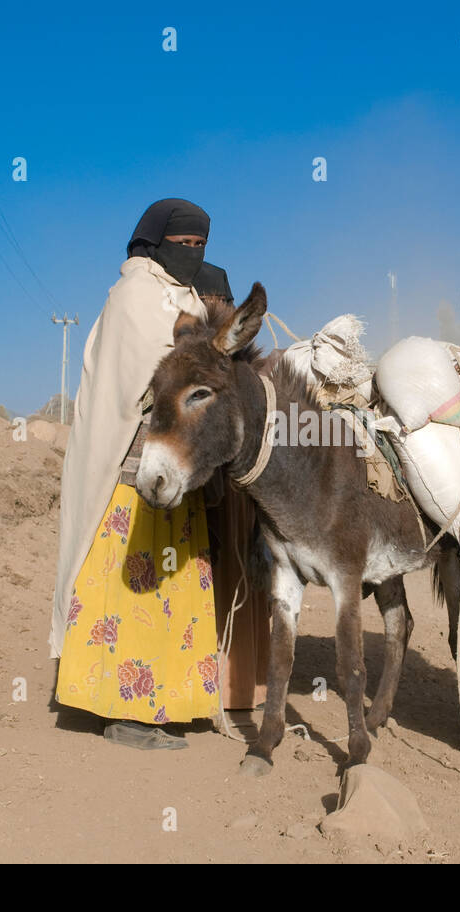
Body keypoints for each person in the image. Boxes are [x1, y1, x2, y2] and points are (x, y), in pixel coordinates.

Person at [50, 199, 223, 749]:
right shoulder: (133, 297)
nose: (192, 255)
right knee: (132, 588)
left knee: (171, 589)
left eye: (201, 246)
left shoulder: (188, 298)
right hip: (132, 470)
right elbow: (150, 378)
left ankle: (165, 698)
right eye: (184, 245)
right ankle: (122, 709)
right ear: (156, 243)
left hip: (178, 469)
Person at [192, 262, 270, 713]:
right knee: (232, 576)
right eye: (211, 299)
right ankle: (237, 687)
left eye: (217, 300)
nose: (213, 306)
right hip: (233, 487)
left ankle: (231, 688)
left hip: (233, 486)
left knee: (232, 576)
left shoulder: (231, 360)